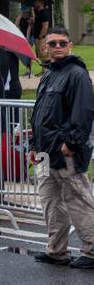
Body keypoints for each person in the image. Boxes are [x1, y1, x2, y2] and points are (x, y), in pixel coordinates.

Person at [29, 27, 94, 268]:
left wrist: (72, 144)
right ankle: (57, 250)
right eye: (52, 43)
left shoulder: (77, 74)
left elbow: (84, 112)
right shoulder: (48, 75)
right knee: (50, 201)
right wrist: (34, 145)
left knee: (78, 199)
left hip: (65, 151)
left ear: (70, 45)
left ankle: (91, 249)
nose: (57, 47)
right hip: (45, 153)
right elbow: (40, 114)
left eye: (62, 43)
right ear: (44, 46)